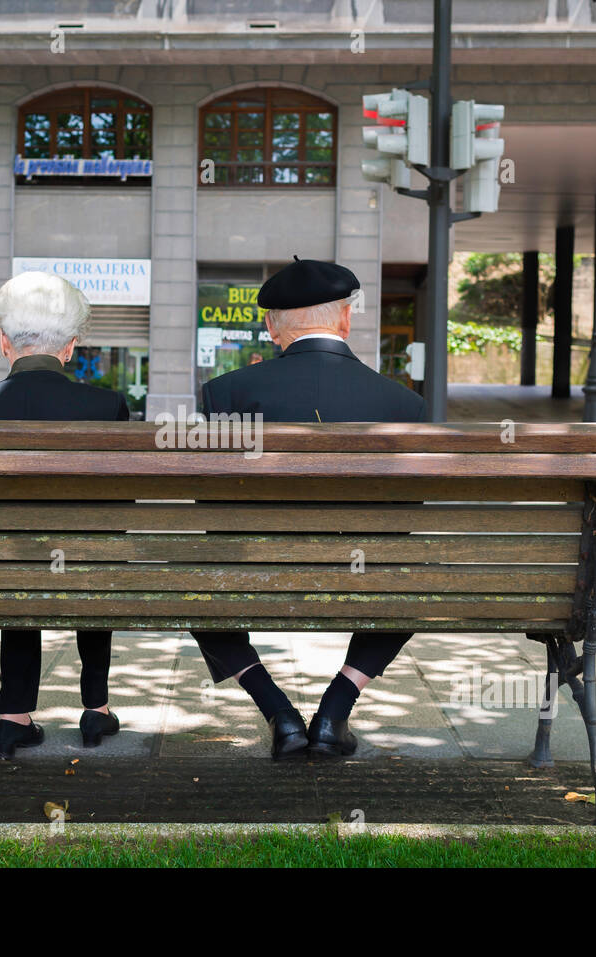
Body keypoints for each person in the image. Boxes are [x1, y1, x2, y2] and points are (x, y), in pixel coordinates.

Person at [193, 255, 428, 760]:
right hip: (363, 575)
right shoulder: (404, 405)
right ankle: (335, 707)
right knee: (412, 572)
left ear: (271, 326)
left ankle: (278, 710)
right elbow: (408, 519)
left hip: (252, 574)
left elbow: (210, 508)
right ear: (345, 318)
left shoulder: (225, 393)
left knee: (190, 575)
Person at [0, 271, 129, 759]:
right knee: (92, 551)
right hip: (85, 566)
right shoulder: (106, 406)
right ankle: (96, 709)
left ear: (5, 343)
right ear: (69, 347)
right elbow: (118, 509)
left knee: (16, 557)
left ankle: (13, 718)